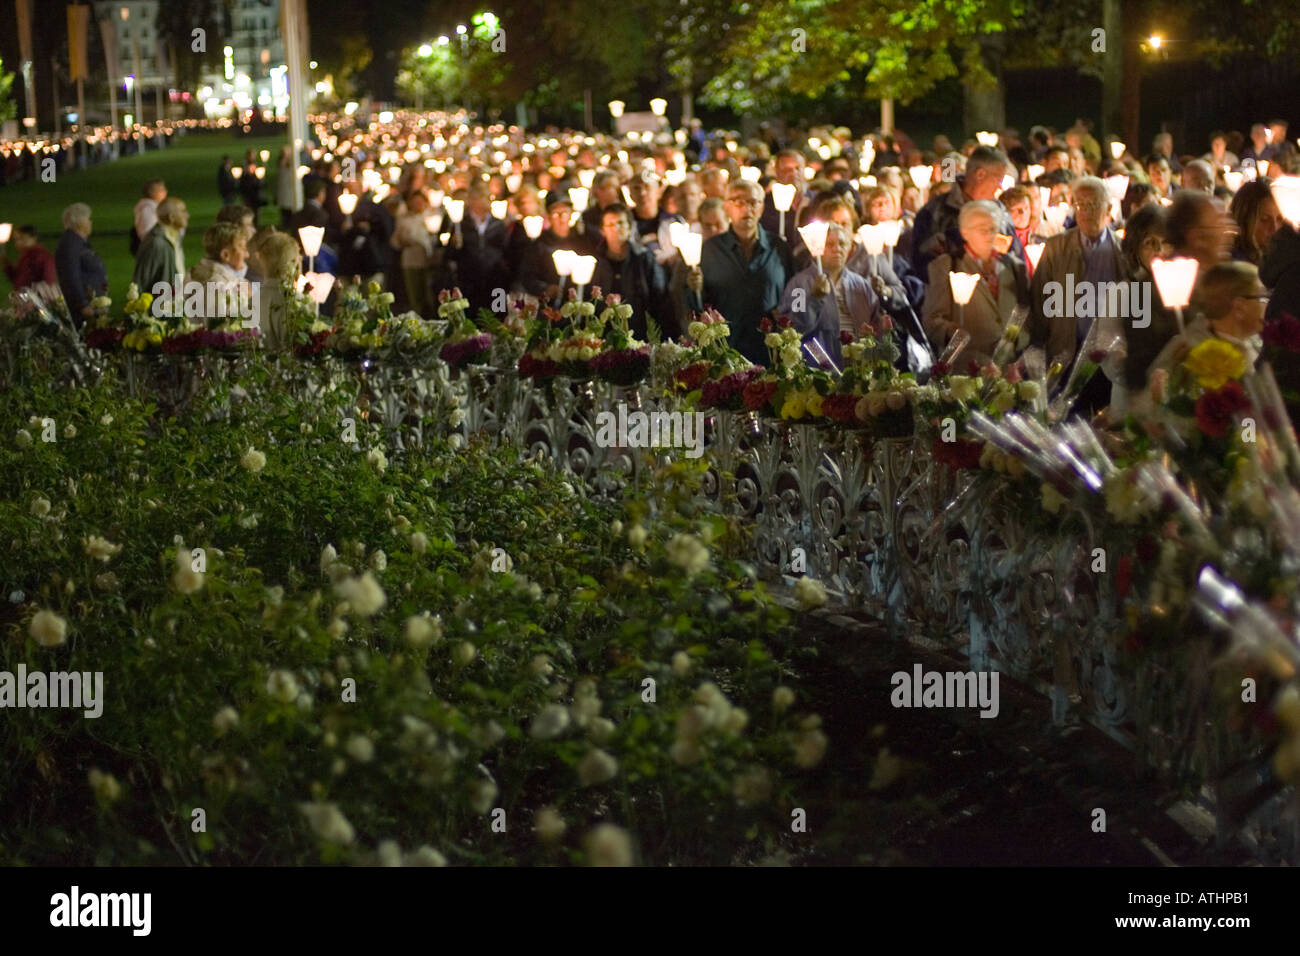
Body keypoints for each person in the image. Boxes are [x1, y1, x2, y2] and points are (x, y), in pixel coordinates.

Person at [1028, 177, 1128, 403]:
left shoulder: (1122, 252)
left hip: (1110, 360)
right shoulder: (1056, 247)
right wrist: (1038, 351)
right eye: (1080, 205)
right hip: (1065, 353)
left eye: (1093, 205)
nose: (1086, 212)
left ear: (1109, 209)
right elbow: (1039, 301)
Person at [686, 179, 794, 366]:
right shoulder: (710, 250)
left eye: (753, 202)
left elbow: (797, 290)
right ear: (727, 207)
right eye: (738, 202)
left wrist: (792, 315)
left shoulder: (779, 247)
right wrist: (694, 289)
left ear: (761, 208)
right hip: (726, 351)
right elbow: (697, 306)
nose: (746, 209)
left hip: (771, 351)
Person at [923, 200, 1030, 368]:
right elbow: (932, 320)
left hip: (1009, 369)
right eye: (982, 229)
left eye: (993, 229)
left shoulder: (1014, 266)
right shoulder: (947, 266)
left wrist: (1016, 342)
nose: (989, 234)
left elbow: (1028, 312)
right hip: (968, 369)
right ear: (965, 232)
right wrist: (956, 335)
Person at [778, 222, 879, 366]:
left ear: (850, 248)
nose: (837, 249)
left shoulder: (861, 285)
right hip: (820, 371)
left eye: (842, 244)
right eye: (829, 244)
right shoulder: (799, 285)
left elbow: (876, 326)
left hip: (860, 370)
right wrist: (814, 299)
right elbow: (793, 329)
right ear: (817, 247)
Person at [910, 144, 1016, 275]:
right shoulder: (935, 211)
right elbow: (920, 265)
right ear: (980, 174)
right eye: (999, 179)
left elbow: (1015, 258)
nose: (1000, 187)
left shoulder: (1001, 212)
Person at [590, 202, 668, 338]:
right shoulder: (595, 262)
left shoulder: (644, 258)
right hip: (605, 335)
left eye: (620, 223)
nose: (616, 228)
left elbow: (659, 297)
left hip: (640, 332)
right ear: (603, 230)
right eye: (610, 224)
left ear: (629, 227)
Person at [54, 203, 107, 328]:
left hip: (91, 303)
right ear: (79, 222)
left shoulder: (77, 243)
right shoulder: (70, 245)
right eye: (88, 219)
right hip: (83, 309)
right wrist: (82, 304)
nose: (90, 222)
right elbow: (70, 276)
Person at [391, 190, 436, 317]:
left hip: (428, 260)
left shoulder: (431, 217)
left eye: (420, 202)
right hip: (410, 260)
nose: (418, 204)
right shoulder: (404, 219)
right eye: (415, 202)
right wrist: (402, 241)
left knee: (429, 293)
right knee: (414, 295)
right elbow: (395, 240)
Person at [132, 196, 190, 292]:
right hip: (161, 304)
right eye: (183, 211)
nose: (187, 215)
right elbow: (141, 281)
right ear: (171, 217)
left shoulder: (173, 238)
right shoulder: (156, 243)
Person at [1229, 180, 1284, 266]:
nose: (1274, 228)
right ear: (1244, 220)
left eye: (1280, 219)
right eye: (1264, 219)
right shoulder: (1235, 265)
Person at [2, 225, 58, 292]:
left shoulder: (41, 256)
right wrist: (4, 260)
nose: (18, 243)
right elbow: (17, 278)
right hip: (24, 298)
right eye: (16, 240)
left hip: (35, 299)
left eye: (21, 238)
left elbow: (48, 280)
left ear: (33, 238)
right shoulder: (26, 256)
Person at [132, 179, 166, 257]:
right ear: (152, 193)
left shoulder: (152, 207)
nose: (165, 192)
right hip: (153, 251)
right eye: (161, 190)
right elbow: (147, 232)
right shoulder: (147, 210)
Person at [276, 145, 299, 229]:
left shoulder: (291, 166)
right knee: (285, 212)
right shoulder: (282, 166)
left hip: (290, 194)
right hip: (285, 193)